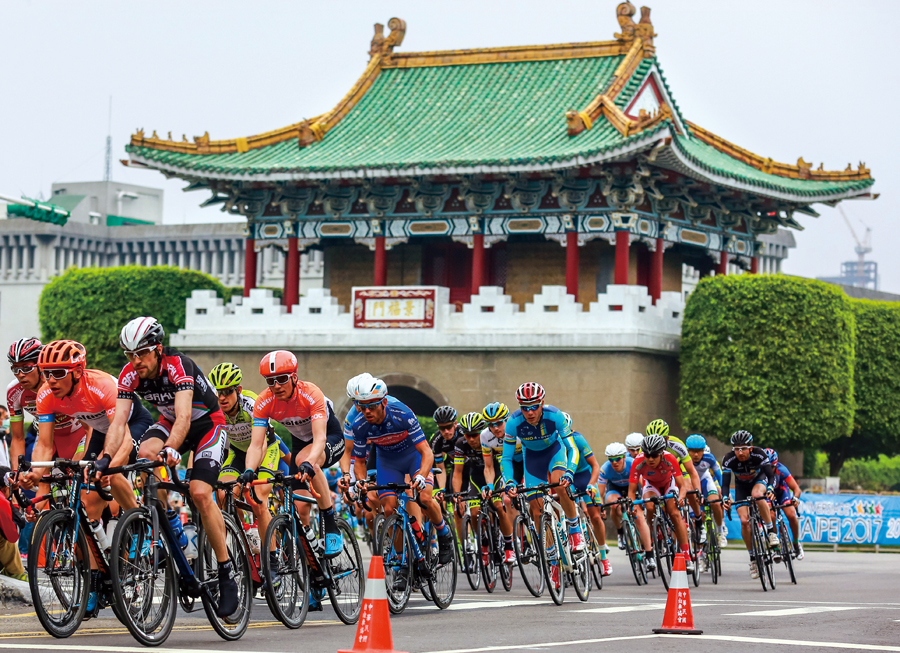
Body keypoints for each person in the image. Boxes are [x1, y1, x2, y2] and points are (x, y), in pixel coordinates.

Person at [101, 317, 237, 618]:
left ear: (158, 349)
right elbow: (119, 423)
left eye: (142, 353)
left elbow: (185, 416)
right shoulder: (128, 375)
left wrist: (172, 449)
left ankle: (226, 570)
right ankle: (164, 520)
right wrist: (106, 459)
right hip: (169, 423)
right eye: (129, 355)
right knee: (146, 453)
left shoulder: (179, 365)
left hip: (207, 426)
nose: (135, 361)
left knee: (200, 494)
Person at [347, 373, 453, 575]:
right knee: (388, 510)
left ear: (384, 402)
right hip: (388, 462)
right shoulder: (359, 424)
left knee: (424, 497)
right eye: (362, 406)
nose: (367, 411)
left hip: (414, 457)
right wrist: (360, 481)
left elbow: (426, 452)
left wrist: (421, 475)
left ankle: (443, 534)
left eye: (372, 405)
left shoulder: (402, 413)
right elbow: (359, 461)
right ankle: (401, 562)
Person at [244, 350, 345, 558]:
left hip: (329, 438)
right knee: (300, 510)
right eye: (270, 381)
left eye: (282, 379)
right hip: (300, 444)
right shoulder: (264, 402)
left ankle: (330, 523)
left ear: (294, 377)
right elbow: (255, 445)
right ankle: (314, 564)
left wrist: (309, 461)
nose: (277, 386)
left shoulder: (310, 393)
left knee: (305, 461)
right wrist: (249, 470)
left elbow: (319, 438)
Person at [207, 362, 289, 584]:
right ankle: (245, 532)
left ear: (238, 390)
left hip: (265, 449)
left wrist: (252, 472)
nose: (222, 397)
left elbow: (259, 443)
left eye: (227, 392)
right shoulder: (216, 410)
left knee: (258, 499)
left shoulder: (252, 403)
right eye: (218, 393)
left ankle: (272, 561)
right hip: (237, 453)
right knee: (223, 494)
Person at [502, 382, 584, 553]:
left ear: (542, 402)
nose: (530, 412)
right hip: (532, 458)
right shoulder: (513, 422)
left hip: (555, 451)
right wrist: (509, 481)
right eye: (525, 408)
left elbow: (572, 448)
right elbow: (507, 458)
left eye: (534, 406)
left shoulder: (555, 415)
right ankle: (551, 557)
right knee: (537, 510)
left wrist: (570, 472)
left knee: (558, 482)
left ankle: (575, 528)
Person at [628, 433, 694, 572]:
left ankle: (687, 556)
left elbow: (682, 486)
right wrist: (633, 505)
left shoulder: (670, 458)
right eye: (647, 455)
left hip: (669, 484)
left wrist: (681, 498)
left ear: (662, 453)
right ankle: (654, 530)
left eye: (654, 455)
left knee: (674, 513)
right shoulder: (638, 461)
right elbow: (632, 492)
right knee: (649, 505)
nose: (650, 459)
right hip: (651, 485)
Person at [721, 430, 780, 579]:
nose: (740, 452)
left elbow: (771, 475)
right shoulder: (728, 459)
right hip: (741, 486)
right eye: (736, 449)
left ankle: (770, 531)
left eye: (743, 448)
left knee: (757, 495)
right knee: (744, 522)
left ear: (750, 447)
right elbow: (726, 485)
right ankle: (753, 558)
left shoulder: (759, 454)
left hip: (758, 481)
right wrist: (725, 498)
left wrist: (771, 488)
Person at [646, 419, 706, 544]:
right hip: (660, 473)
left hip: (678, 468)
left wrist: (698, 492)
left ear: (667, 438)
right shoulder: (646, 446)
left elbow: (692, 472)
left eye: (660, 440)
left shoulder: (677, 444)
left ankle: (699, 520)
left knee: (689, 490)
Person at [565, 413, 610, 575]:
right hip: (567, 479)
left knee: (595, 517)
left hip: (585, 476)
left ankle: (604, 557)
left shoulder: (578, 439)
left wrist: (591, 484)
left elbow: (596, 466)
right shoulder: (553, 444)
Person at [598, 441, 651, 566]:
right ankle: (620, 532)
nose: (615, 462)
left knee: (638, 515)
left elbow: (644, 485)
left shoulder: (632, 464)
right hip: (615, 488)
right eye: (611, 460)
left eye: (617, 459)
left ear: (624, 457)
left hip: (632, 488)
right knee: (613, 504)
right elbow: (600, 493)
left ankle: (649, 554)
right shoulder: (605, 468)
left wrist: (645, 501)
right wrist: (601, 508)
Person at [685, 434, 728, 549]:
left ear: (704, 450)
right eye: (692, 451)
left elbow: (720, 476)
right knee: (697, 517)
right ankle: (700, 551)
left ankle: (720, 531)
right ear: (687, 450)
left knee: (715, 503)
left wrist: (725, 493)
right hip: (691, 485)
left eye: (699, 451)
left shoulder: (709, 458)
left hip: (705, 481)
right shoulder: (682, 460)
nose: (695, 454)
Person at [765, 448, 804, 560]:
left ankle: (796, 544)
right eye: (767, 467)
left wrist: (795, 498)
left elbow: (796, 489)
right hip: (767, 495)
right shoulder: (759, 472)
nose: (770, 470)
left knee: (791, 514)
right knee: (771, 515)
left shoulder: (782, 469)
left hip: (781, 492)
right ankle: (775, 547)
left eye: (772, 467)